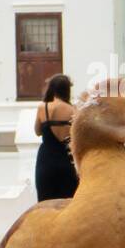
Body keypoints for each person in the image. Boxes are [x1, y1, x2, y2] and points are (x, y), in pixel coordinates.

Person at [34, 73, 79, 201]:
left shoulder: (43, 107)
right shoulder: (74, 110)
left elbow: (37, 131)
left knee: (45, 204)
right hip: (67, 162)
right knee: (68, 203)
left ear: (52, 89)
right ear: (67, 90)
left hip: (46, 162)